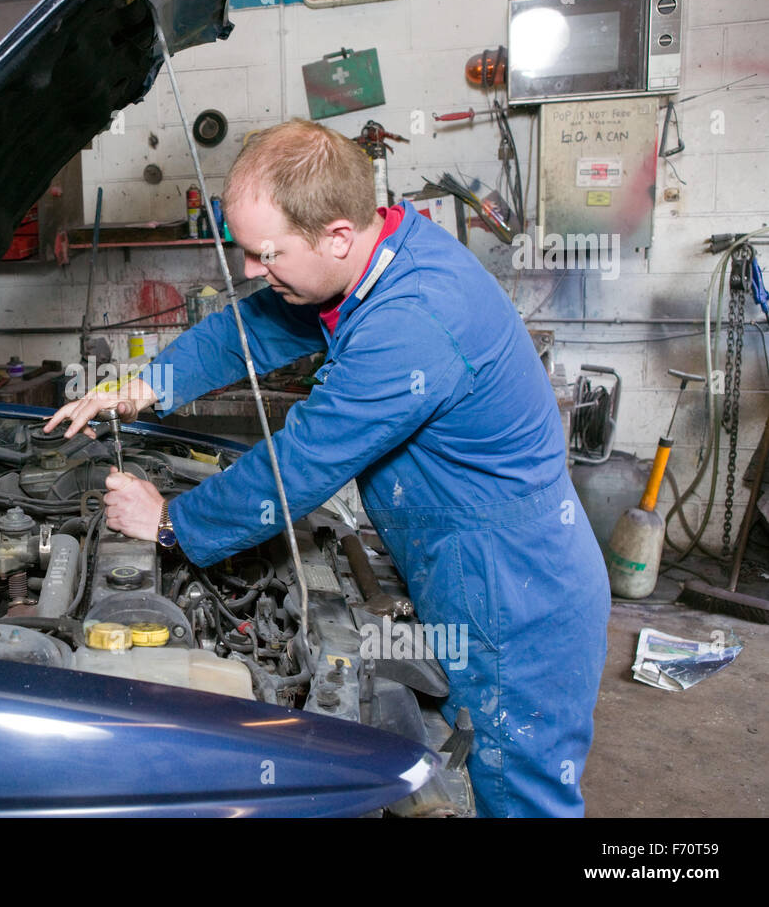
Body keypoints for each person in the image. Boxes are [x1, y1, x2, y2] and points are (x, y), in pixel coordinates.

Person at [44, 118, 609, 818]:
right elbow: (248, 328)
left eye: (264, 253)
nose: (252, 269)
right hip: (461, 563)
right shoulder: (372, 260)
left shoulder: (414, 318)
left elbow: (304, 459)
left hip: (514, 591)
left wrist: (171, 522)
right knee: (452, 762)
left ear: (336, 235)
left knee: (516, 794)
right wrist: (141, 384)